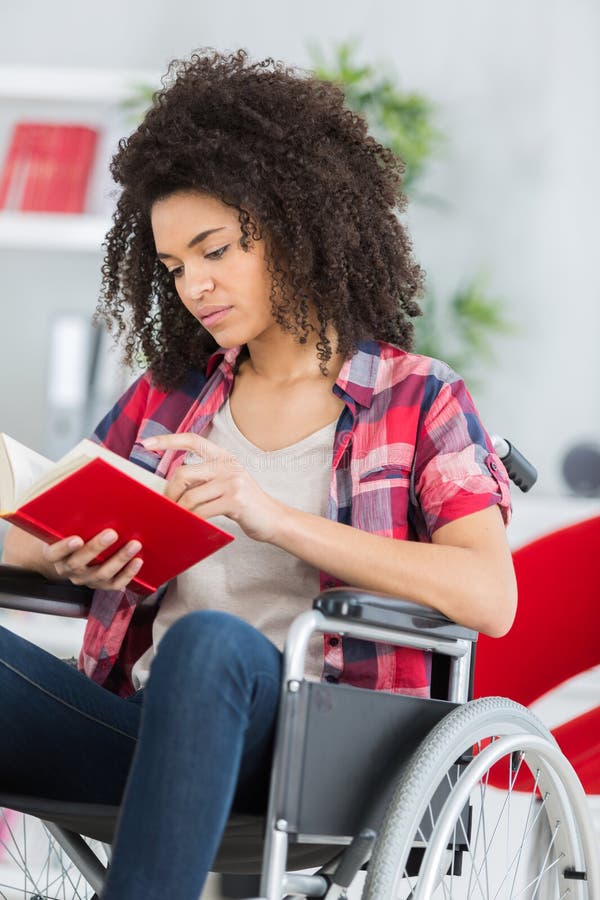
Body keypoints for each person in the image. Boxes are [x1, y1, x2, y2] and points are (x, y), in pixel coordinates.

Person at [0, 48, 516, 899]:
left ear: (291, 220)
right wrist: (67, 553)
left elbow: (490, 596)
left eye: (214, 250)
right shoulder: (170, 397)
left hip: (318, 753)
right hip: (149, 733)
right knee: (181, 661)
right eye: (173, 268)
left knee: (210, 648)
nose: (194, 286)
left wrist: (270, 515)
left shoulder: (416, 397)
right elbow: (47, 518)